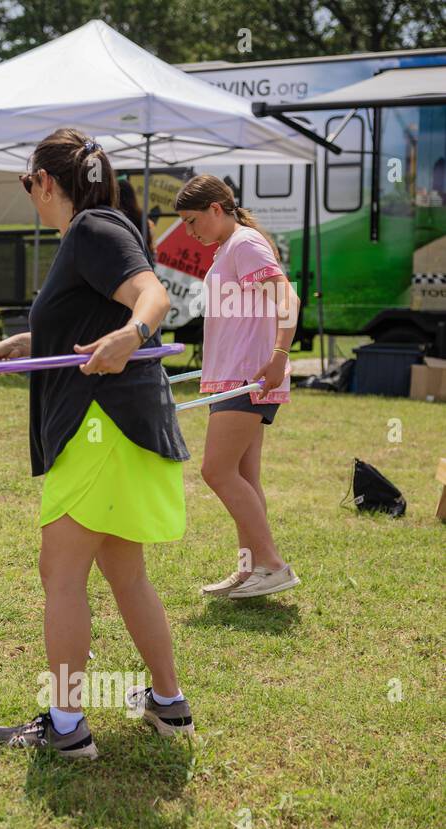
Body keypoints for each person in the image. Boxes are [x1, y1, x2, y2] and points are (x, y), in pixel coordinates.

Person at [0, 128, 195, 759]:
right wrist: (30, 344)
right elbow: (92, 318)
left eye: (27, 184)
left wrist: (132, 335)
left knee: (61, 572)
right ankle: (167, 703)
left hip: (101, 429)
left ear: (46, 181)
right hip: (122, 428)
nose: (30, 195)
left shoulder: (94, 230)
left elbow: (149, 295)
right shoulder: (99, 229)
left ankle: (67, 727)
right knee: (126, 573)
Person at [174, 175, 301, 598]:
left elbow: (289, 299)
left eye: (193, 222)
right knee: (244, 474)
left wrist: (279, 356)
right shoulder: (231, 247)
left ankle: (273, 564)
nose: (192, 234)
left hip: (250, 377)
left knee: (217, 470)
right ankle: (251, 569)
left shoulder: (244, 243)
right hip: (234, 378)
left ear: (216, 209)